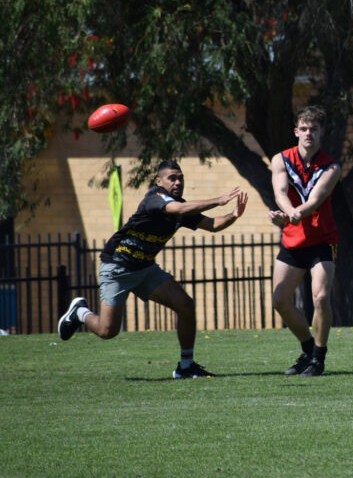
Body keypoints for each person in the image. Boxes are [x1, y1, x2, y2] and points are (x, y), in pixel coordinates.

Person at [57, 160, 248, 379]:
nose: (178, 182)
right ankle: (80, 312)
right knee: (107, 331)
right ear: (159, 181)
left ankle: (186, 366)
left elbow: (213, 225)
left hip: (146, 269)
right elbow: (177, 208)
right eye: (172, 178)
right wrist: (219, 199)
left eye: (181, 177)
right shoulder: (154, 199)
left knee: (185, 305)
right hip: (117, 266)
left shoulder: (181, 207)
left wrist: (234, 214)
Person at [268, 106, 341, 377]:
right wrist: (285, 214)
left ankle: (318, 359)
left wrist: (295, 214)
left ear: (322, 132)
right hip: (292, 239)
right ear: (296, 131)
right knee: (280, 301)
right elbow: (280, 192)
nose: (309, 133)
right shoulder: (281, 159)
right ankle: (308, 350)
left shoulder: (331, 166)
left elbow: (315, 199)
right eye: (304, 128)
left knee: (321, 297)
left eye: (314, 129)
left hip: (322, 240)